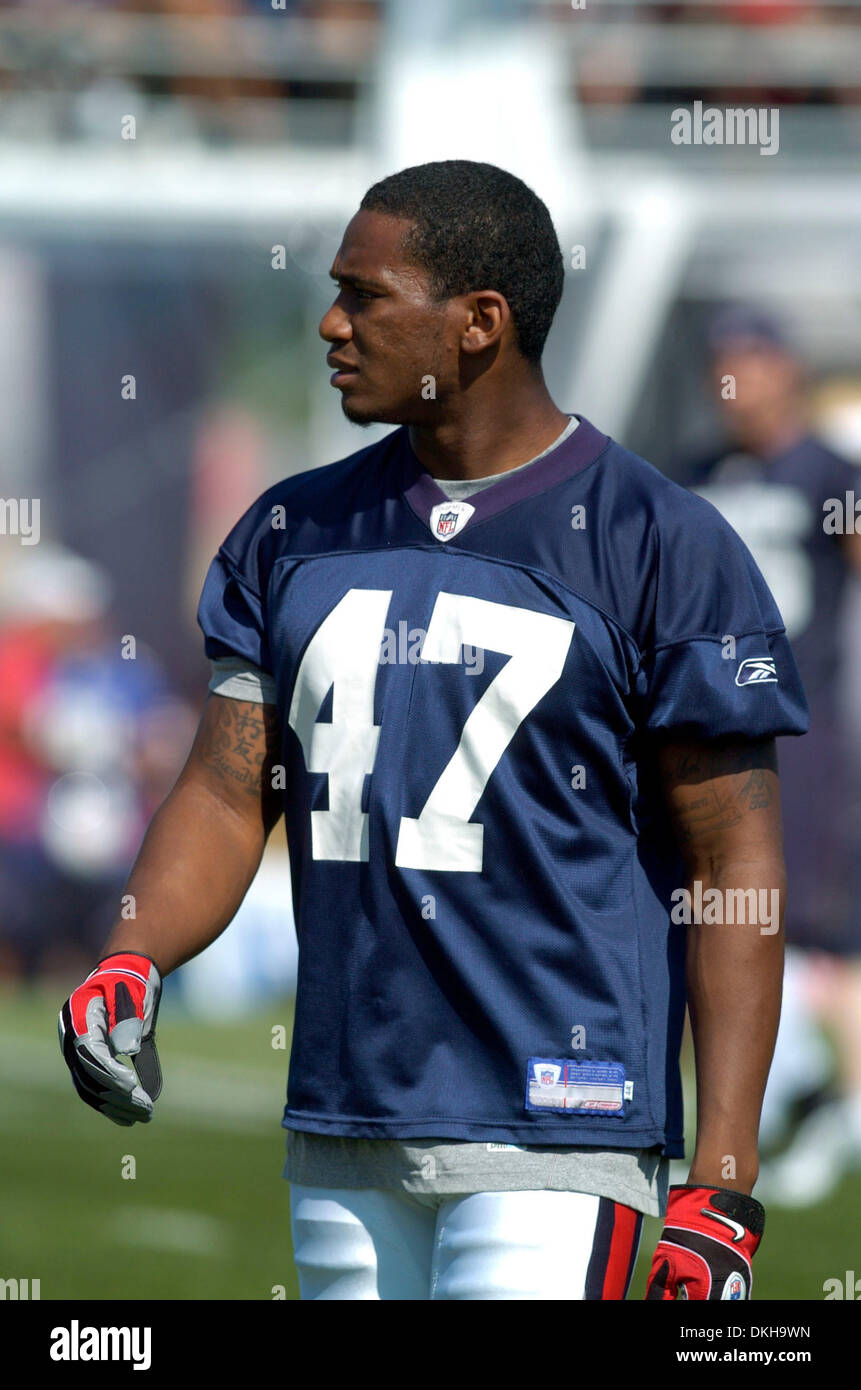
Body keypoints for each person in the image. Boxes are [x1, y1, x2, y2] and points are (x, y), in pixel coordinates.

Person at [59, 161, 807, 1300]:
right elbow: (224, 791)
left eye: (365, 295)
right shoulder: (292, 528)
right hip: (346, 1118)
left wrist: (724, 1180)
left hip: (561, 1125)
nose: (331, 321)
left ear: (478, 323)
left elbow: (732, 864)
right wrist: (132, 955)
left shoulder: (660, 540)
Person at [686, 306, 861, 1205]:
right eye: (722, 363)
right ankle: (781, 1093)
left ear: (785, 370)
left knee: (817, 932)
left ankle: (842, 1104)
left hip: (805, 738)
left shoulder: (831, 473)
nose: (733, 382)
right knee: (711, 918)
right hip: (704, 734)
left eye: (748, 361)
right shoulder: (696, 474)